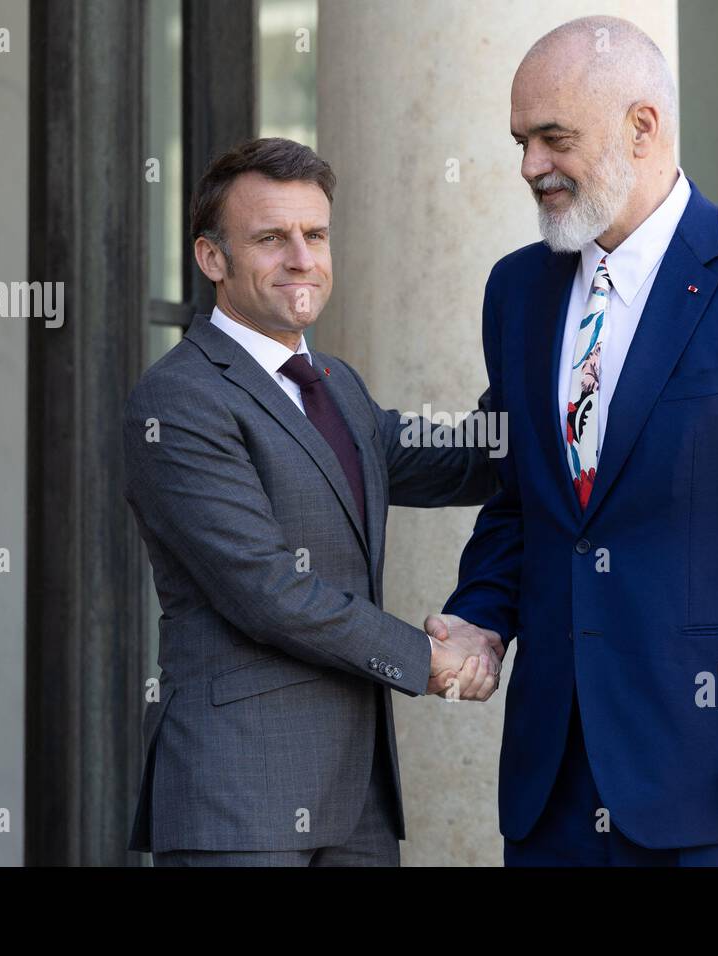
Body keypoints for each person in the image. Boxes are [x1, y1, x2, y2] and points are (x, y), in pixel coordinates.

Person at [429, 16, 718, 866]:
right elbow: (522, 500)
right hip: (552, 786)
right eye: (522, 141)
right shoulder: (517, 291)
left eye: (555, 138)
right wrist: (480, 618)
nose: (530, 167)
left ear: (643, 127)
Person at [124, 138, 502, 867]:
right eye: (271, 238)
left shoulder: (336, 386)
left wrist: (550, 344)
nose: (302, 257)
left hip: (356, 798)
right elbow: (265, 588)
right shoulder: (178, 397)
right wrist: (426, 657)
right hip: (239, 798)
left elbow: (465, 463)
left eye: (315, 235)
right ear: (212, 259)